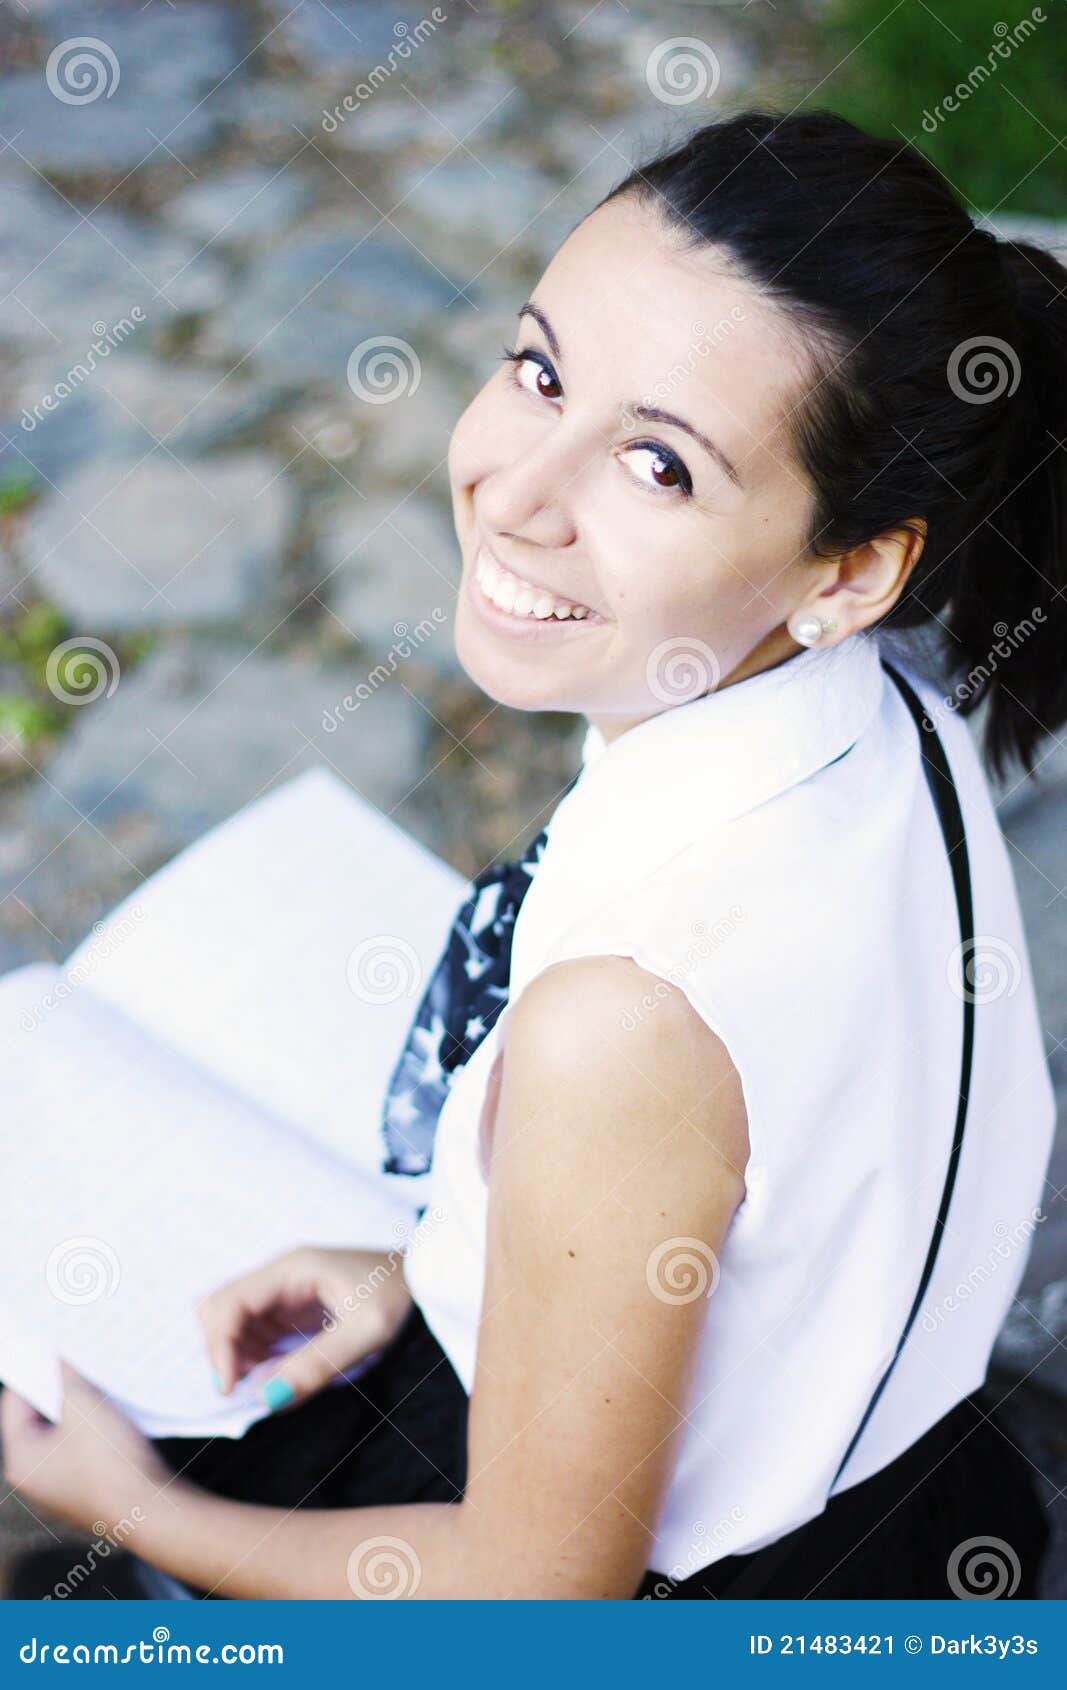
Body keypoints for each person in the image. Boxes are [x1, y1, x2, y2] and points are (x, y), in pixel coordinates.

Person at [4, 109, 1063, 1600]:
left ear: (851, 570)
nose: (513, 494)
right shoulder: (878, 716)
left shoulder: (621, 1025)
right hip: (889, 1473)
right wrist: (444, 1264)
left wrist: (133, 1508)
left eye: (658, 465)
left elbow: (535, 1602)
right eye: (541, 371)